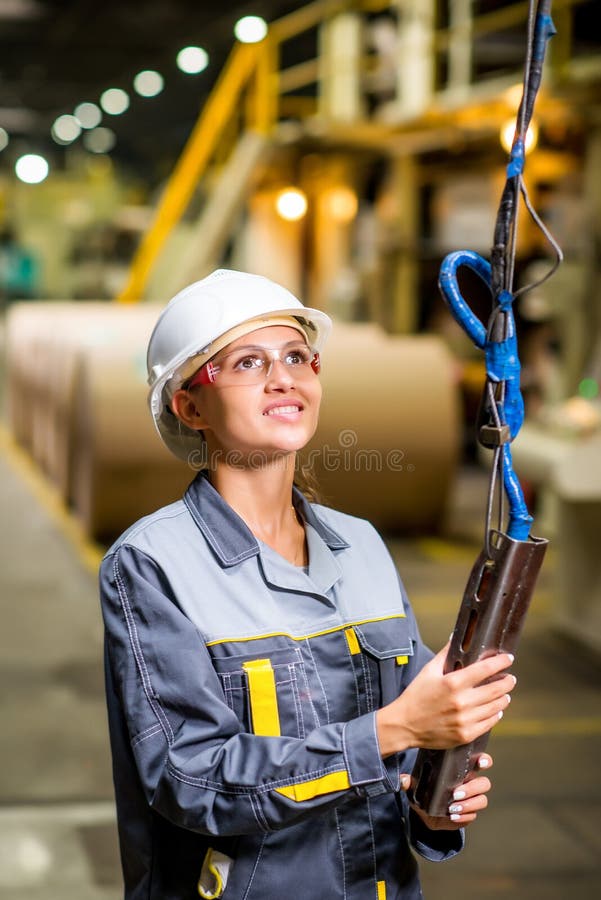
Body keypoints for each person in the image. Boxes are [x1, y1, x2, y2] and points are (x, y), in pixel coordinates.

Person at [100, 269, 516, 900]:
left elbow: (411, 753)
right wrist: (393, 730)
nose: (283, 377)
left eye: (297, 356)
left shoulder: (363, 547)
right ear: (190, 406)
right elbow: (191, 781)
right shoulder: (152, 564)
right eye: (247, 362)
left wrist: (434, 806)